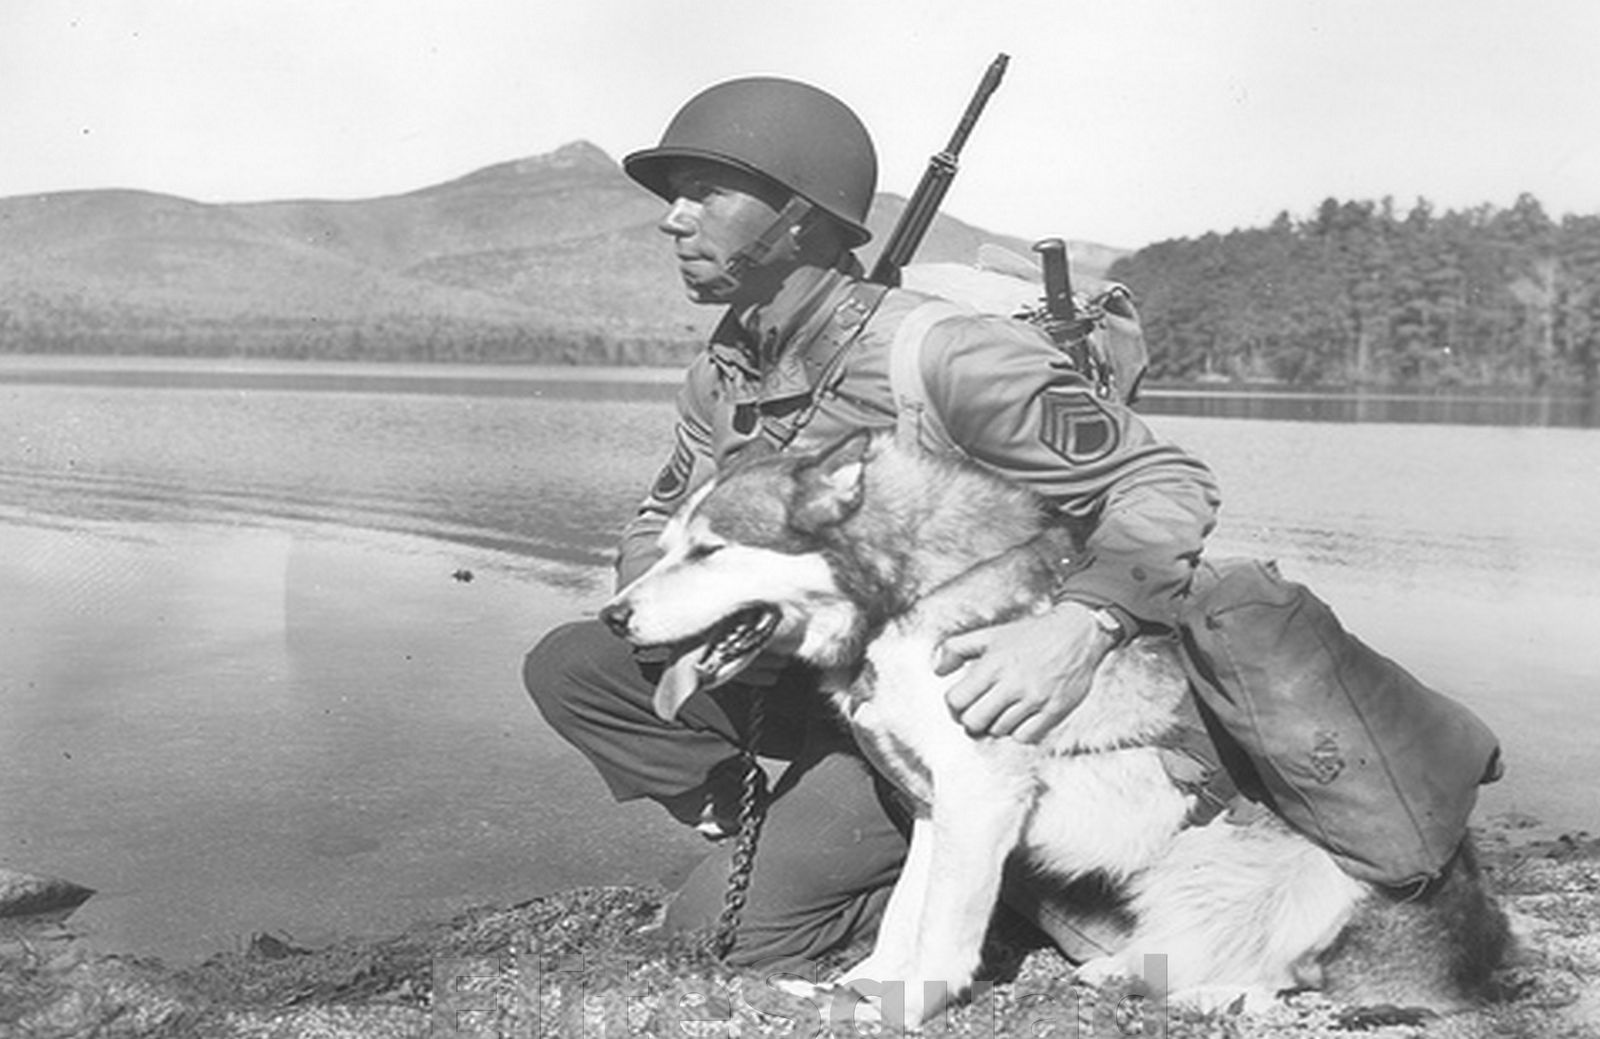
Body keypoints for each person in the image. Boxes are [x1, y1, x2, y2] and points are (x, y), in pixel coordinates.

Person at [523, 76, 1499, 976]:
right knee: (580, 665)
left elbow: (1162, 484)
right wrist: (730, 611)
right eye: (673, 195)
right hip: (830, 678)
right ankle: (818, 837)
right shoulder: (724, 373)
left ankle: (958, 877)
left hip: (968, 703)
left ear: (799, 220)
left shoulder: (942, 354)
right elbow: (657, 522)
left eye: (703, 193)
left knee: (723, 939)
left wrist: (1079, 630)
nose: (672, 220)